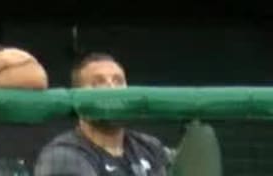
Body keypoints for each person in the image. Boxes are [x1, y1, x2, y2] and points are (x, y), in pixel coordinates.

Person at [33, 53, 173, 176]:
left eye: (118, 81)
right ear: (78, 96)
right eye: (98, 83)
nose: (112, 89)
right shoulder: (62, 155)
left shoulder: (148, 146)